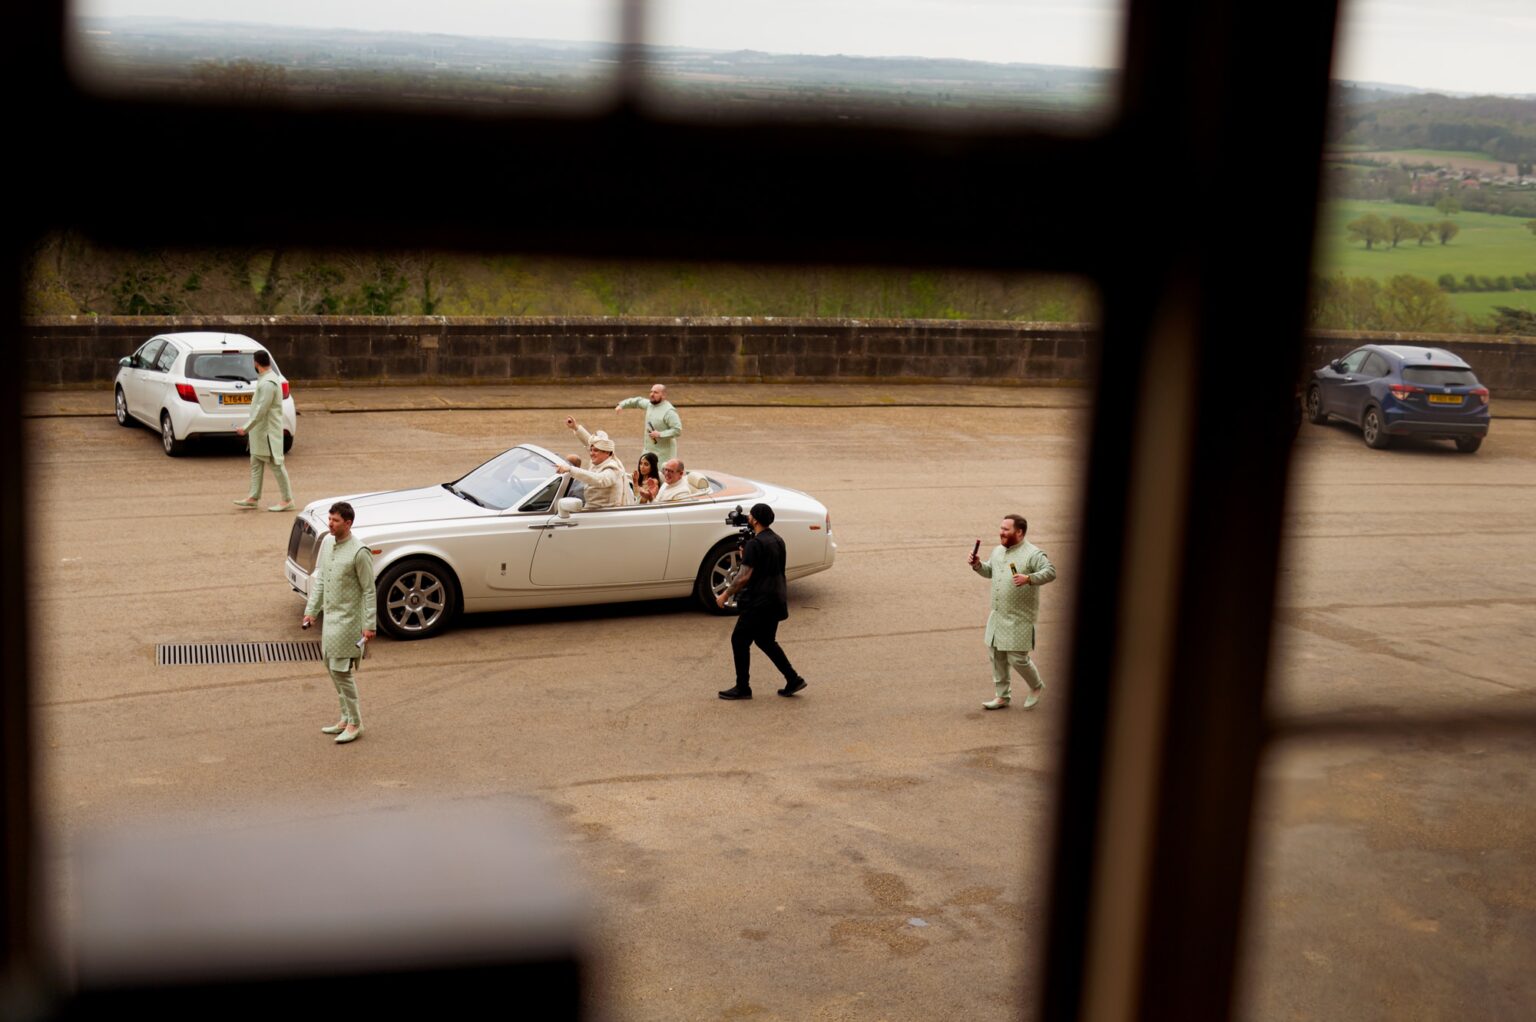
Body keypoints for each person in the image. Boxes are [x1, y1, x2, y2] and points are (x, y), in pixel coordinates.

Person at [302, 501, 377, 744]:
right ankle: (344, 718)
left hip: (349, 621)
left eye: (335, 521)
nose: (330, 524)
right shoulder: (326, 543)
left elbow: (369, 590)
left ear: (348, 523)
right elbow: (321, 579)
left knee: (341, 671)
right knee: (330, 666)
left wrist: (370, 625)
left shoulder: (359, 551)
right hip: (330, 618)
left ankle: (355, 722)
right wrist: (311, 611)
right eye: (330, 519)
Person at [717, 503, 808, 701]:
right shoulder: (778, 540)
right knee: (765, 641)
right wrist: (747, 556)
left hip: (759, 602)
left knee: (739, 639)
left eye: (750, 515)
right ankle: (793, 679)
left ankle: (743, 688)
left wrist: (725, 595)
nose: (748, 517)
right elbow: (765, 565)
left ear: (755, 520)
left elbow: (743, 576)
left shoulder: (754, 544)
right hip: (776, 599)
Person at [968, 513, 1056, 710]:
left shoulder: (1033, 554)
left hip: (1020, 616)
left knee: (1017, 658)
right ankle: (1002, 696)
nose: (1001, 532)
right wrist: (977, 565)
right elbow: (990, 571)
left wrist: (1029, 578)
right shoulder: (998, 551)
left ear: (1019, 532)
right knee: (996, 654)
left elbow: (1051, 571)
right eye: (1001, 528)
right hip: (998, 614)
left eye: (1006, 529)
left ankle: (1036, 686)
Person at [232, 350, 293, 512]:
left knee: (276, 465)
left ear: (256, 363)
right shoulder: (267, 380)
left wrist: (245, 428)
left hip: (267, 433)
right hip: (260, 433)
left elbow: (261, 410)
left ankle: (287, 500)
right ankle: (253, 497)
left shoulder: (268, 383)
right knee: (256, 463)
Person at [554, 418, 632, 508]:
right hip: (591, 509)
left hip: (605, 515)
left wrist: (571, 469)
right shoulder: (599, 459)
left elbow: (599, 479)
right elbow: (589, 441)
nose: (591, 453)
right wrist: (575, 427)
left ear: (606, 452)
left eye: (595, 451)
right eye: (590, 450)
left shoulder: (613, 468)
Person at [614, 383, 682, 465]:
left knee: (660, 476)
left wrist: (660, 434)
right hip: (648, 450)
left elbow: (677, 430)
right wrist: (621, 405)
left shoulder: (669, 411)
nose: (652, 394)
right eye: (651, 392)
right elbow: (637, 401)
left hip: (663, 455)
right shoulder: (650, 405)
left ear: (663, 395)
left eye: (656, 392)